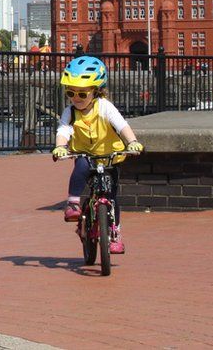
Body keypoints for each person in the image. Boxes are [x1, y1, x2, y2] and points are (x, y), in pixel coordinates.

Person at [51, 55, 144, 254]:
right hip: (86, 153)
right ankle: (73, 203)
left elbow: (121, 125)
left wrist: (133, 142)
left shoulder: (105, 107)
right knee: (81, 166)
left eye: (82, 94)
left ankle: (115, 233)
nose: (76, 98)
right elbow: (63, 130)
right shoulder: (71, 111)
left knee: (111, 196)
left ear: (96, 91)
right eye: (71, 92)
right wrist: (60, 146)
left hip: (110, 155)